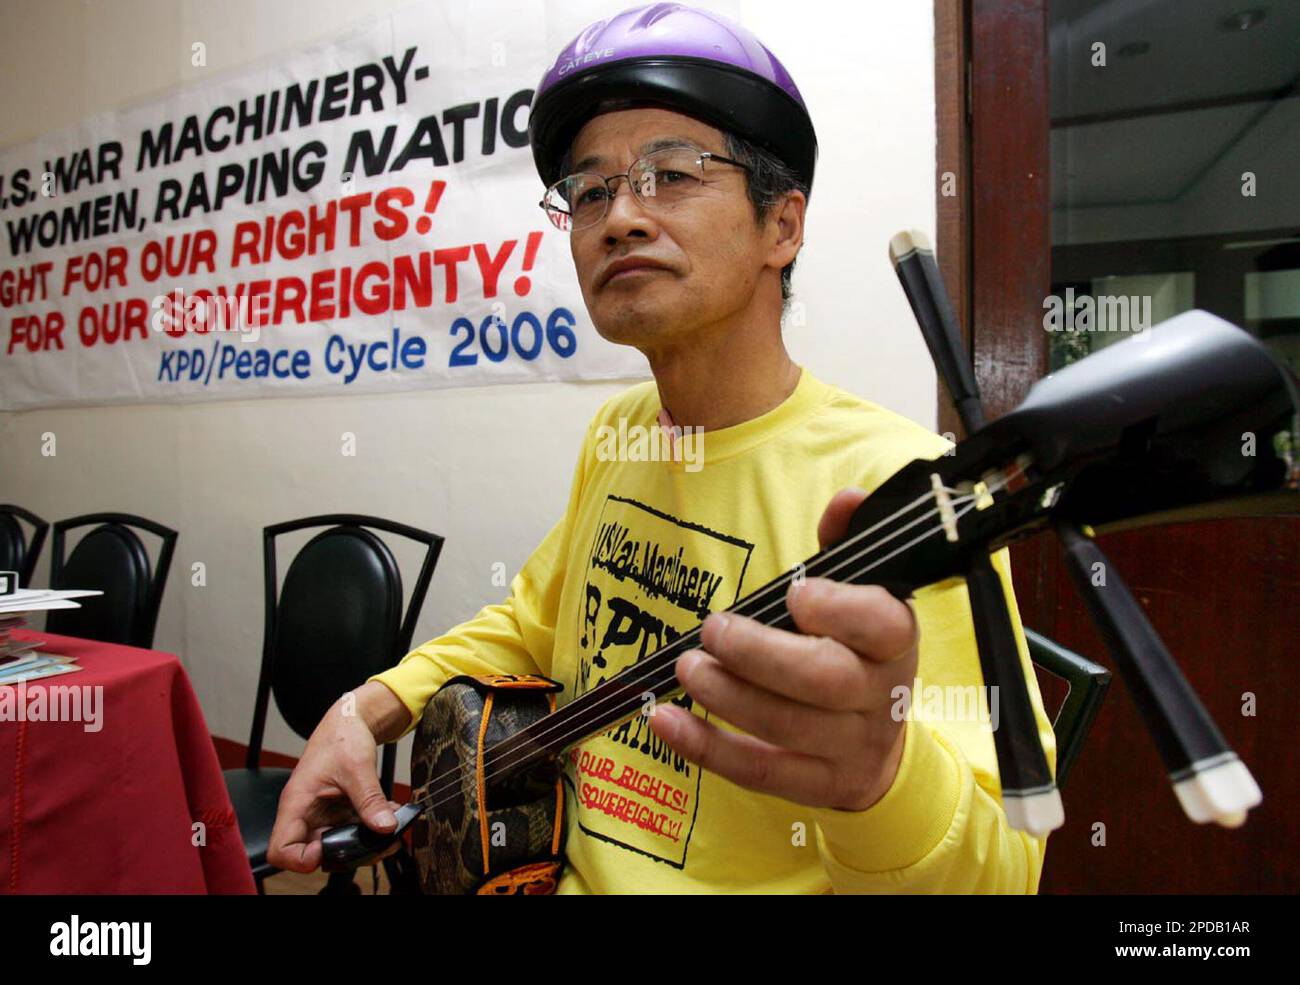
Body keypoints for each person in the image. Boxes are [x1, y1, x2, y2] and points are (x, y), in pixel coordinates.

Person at [267, 2, 1056, 893]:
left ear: (783, 226)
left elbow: (1004, 871)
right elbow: (534, 622)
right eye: (591, 190)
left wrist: (882, 781)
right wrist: (362, 709)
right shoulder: (624, 430)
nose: (620, 218)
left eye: (670, 174)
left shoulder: (895, 489)